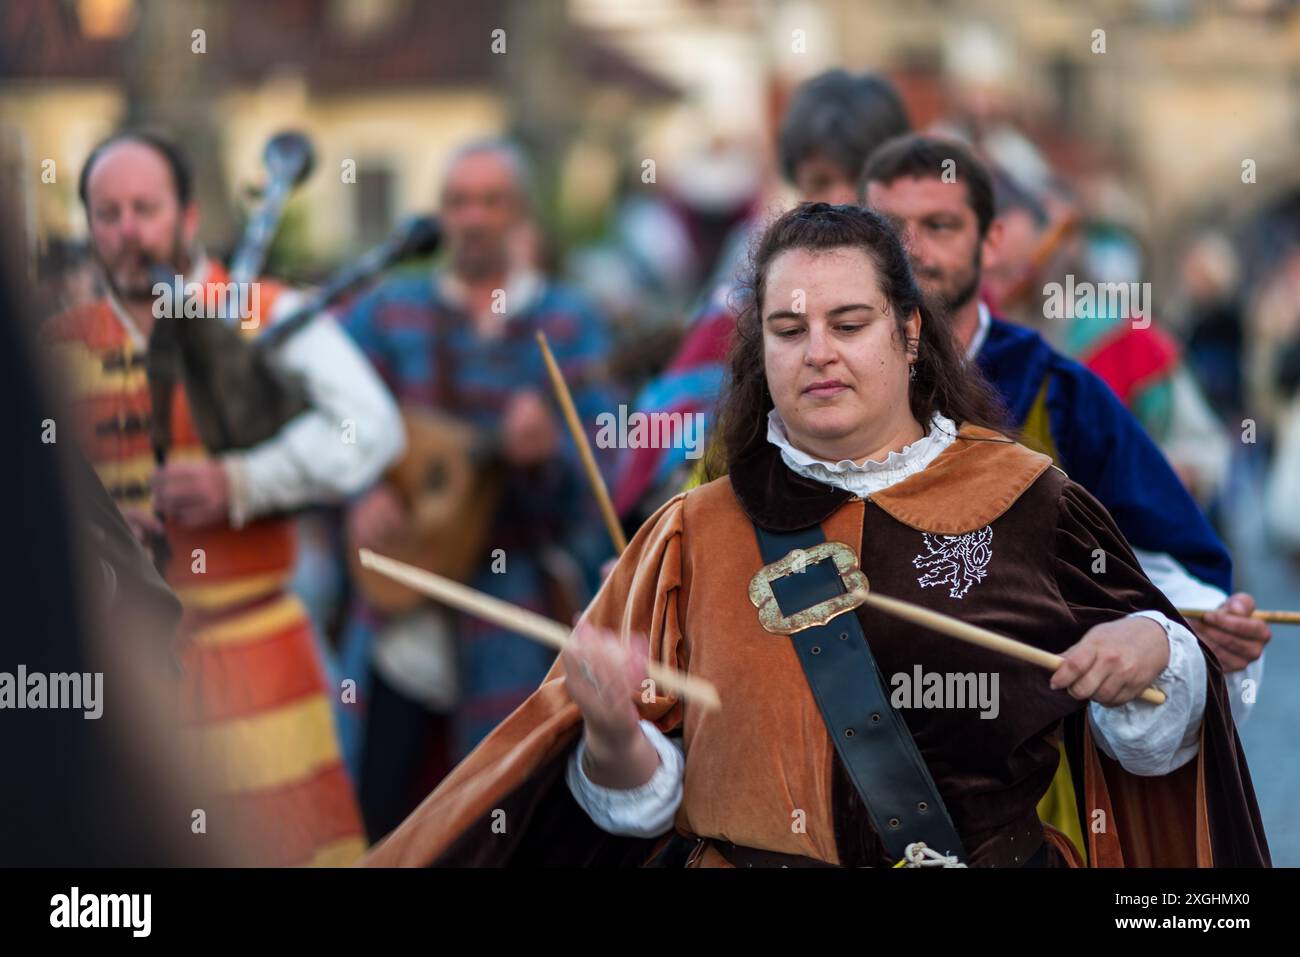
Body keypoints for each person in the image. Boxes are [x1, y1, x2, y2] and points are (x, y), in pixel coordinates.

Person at [362, 204, 1268, 868]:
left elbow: (1160, 737)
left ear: (910, 335)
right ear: (761, 348)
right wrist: (610, 732)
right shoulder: (689, 535)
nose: (817, 352)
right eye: (788, 329)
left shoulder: (1031, 498)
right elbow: (638, 806)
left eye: (849, 323)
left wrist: (1154, 643)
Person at [43, 130, 405, 866]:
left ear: (188, 214)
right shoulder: (56, 346)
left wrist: (243, 481)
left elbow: (371, 429)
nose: (127, 231)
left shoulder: (259, 310)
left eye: (145, 208)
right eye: (106, 213)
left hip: (261, 659)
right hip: (126, 688)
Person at [860, 134, 1269, 726]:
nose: (915, 250)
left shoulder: (1063, 393)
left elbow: (1170, 568)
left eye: (941, 225)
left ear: (992, 240)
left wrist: (1177, 629)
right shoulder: (819, 392)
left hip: (1037, 746)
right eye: (891, 229)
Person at [339, 139, 619, 841]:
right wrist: (359, 492)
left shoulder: (567, 322)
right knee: (378, 811)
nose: (472, 217)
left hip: (513, 597)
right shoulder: (388, 313)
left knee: (496, 816)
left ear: (519, 212)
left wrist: (545, 454)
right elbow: (329, 425)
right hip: (399, 596)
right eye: (459, 201)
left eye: (490, 201)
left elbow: (597, 488)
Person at [612, 69, 912, 525]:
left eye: (860, 178)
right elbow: (674, 438)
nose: (841, 200)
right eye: (822, 180)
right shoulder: (747, 289)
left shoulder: (933, 279)